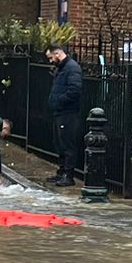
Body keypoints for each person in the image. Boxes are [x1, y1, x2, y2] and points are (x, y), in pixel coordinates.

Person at [46, 43, 84, 186]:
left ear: (57, 53)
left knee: (67, 144)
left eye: (51, 57)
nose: (50, 61)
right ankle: (62, 171)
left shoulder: (72, 68)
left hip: (68, 113)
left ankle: (68, 175)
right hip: (60, 112)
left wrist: (59, 101)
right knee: (59, 143)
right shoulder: (61, 69)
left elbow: (75, 90)